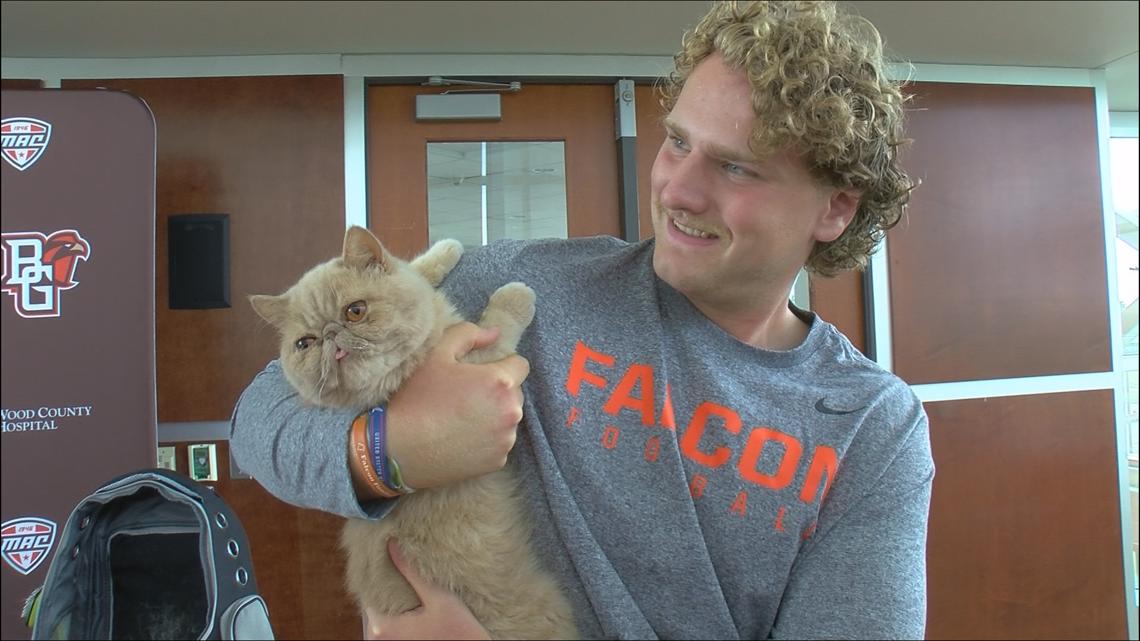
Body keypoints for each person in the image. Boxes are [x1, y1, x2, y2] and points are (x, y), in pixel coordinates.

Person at [230, 1, 934, 638]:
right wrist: (391, 448)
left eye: (737, 168)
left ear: (835, 207)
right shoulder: (526, 283)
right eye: (679, 142)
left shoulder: (872, 429)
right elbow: (259, 418)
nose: (677, 190)